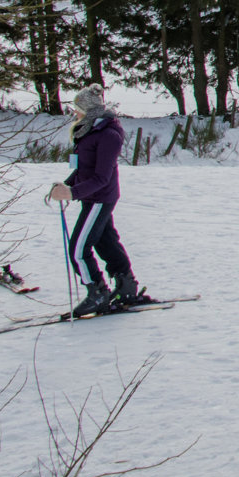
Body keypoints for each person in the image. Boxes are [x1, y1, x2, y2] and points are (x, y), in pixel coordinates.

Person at [46, 84, 146, 316]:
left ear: (89, 110)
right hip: (91, 196)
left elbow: (102, 177)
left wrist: (72, 193)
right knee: (105, 241)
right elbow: (84, 169)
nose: (75, 112)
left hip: (99, 198)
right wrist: (66, 185)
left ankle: (97, 293)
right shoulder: (88, 130)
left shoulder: (108, 135)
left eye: (78, 108)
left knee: (78, 250)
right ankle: (126, 286)